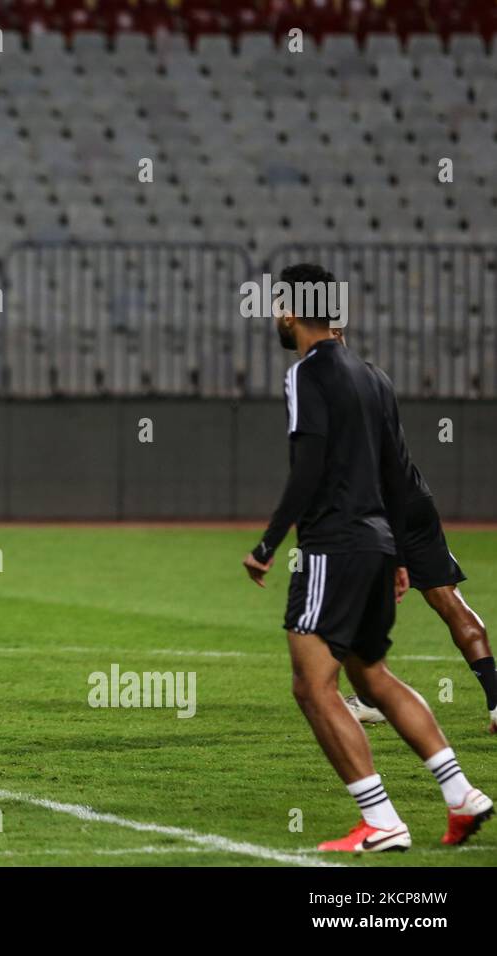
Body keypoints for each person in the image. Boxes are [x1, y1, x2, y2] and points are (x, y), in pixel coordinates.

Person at [242, 263, 491, 851]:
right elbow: (391, 472)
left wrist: (268, 543)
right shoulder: (374, 376)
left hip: (335, 546)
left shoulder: (306, 375)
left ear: (289, 310)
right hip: (380, 544)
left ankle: (380, 819)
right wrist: (399, 554)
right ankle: (460, 795)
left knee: (311, 685)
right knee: (370, 675)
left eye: (279, 305)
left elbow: (307, 468)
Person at [327, 331, 497, 734]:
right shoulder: (375, 378)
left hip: (382, 512)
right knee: (449, 601)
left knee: (347, 607)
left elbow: (364, 465)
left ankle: (370, 701)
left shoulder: (333, 391)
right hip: (415, 500)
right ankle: (496, 701)